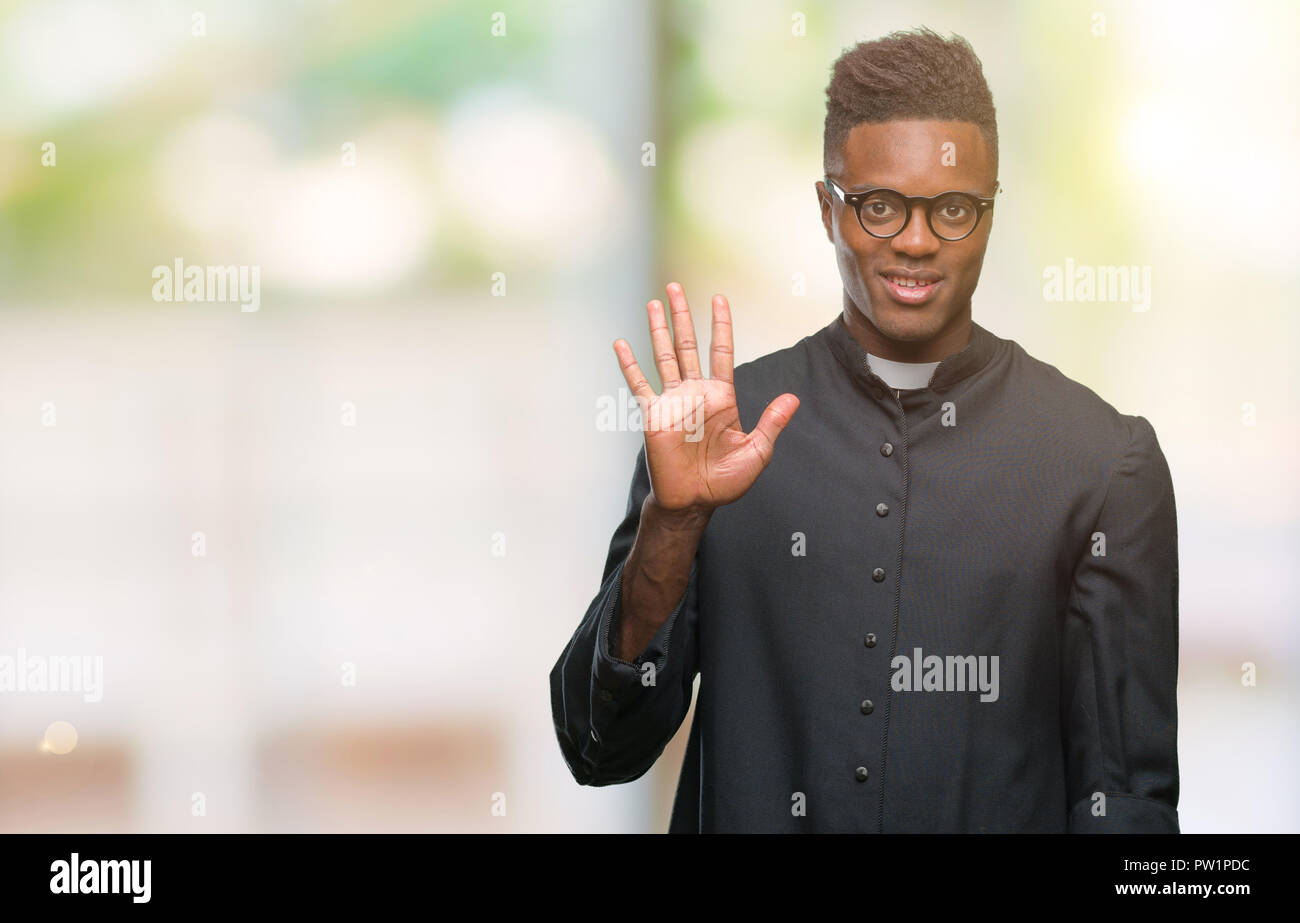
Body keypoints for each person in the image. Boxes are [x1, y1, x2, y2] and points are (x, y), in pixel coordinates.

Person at [549, 27, 1180, 833]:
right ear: (827, 208)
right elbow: (598, 750)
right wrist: (670, 527)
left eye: (952, 209)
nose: (916, 242)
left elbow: (1127, 807)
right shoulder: (718, 433)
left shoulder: (1102, 463)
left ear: (990, 210)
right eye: (879, 206)